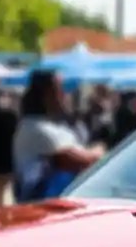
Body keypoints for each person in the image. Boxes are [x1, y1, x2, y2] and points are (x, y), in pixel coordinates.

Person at [13, 70, 103, 203]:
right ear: (46, 95)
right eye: (60, 89)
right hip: (42, 206)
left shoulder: (55, 125)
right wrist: (99, 150)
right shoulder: (36, 128)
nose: (64, 95)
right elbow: (81, 161)